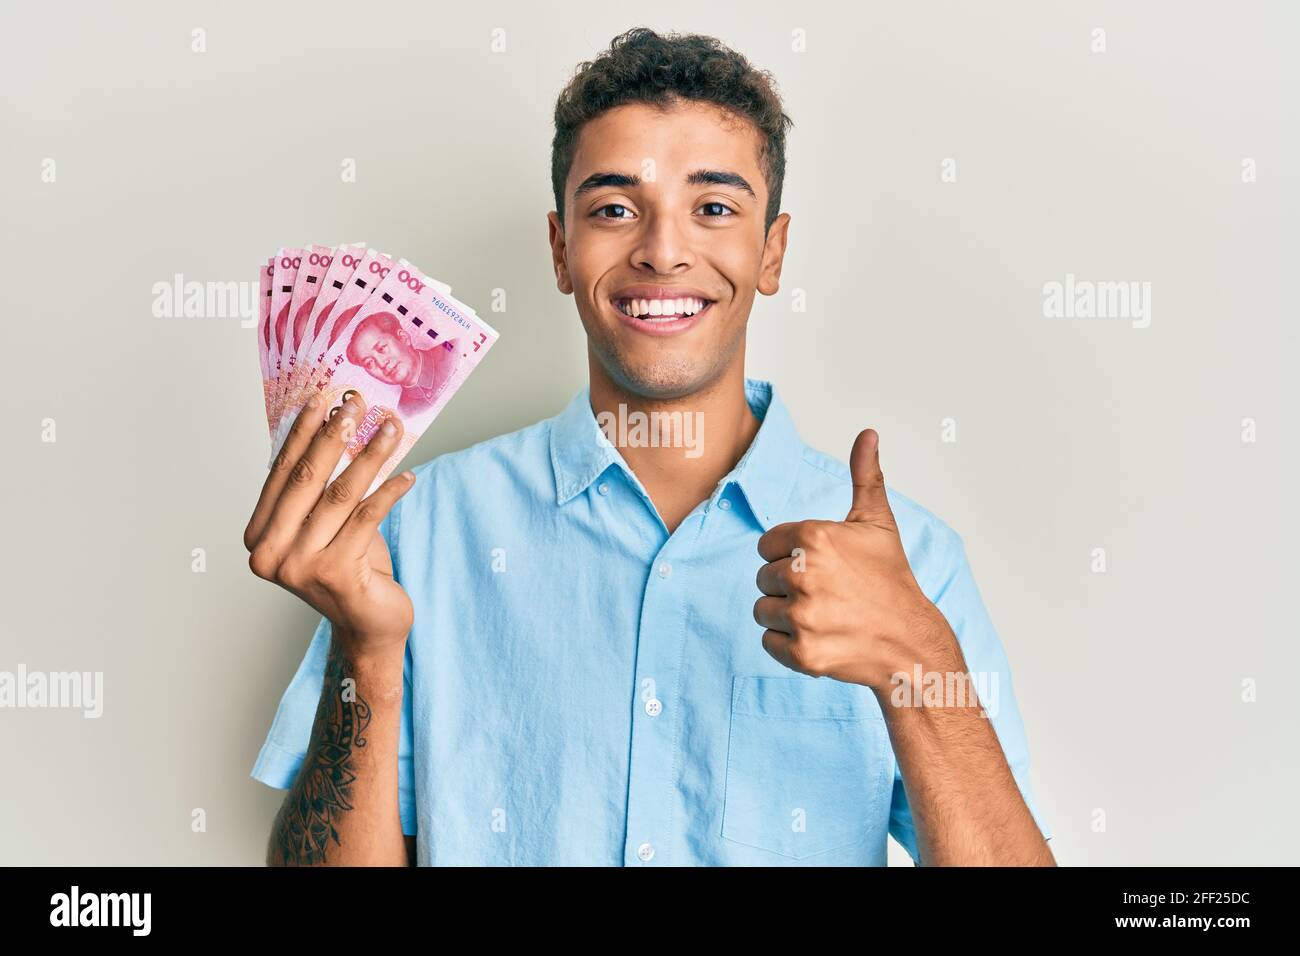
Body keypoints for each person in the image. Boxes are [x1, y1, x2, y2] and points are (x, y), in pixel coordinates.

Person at [244, 27, 1055, 867]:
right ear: (561, 251)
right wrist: (366, 652)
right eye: (614, 209)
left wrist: (918, 665)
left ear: (771, 252)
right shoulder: (419, 531)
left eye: (713, 208)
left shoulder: (913, 562)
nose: (663, 251)